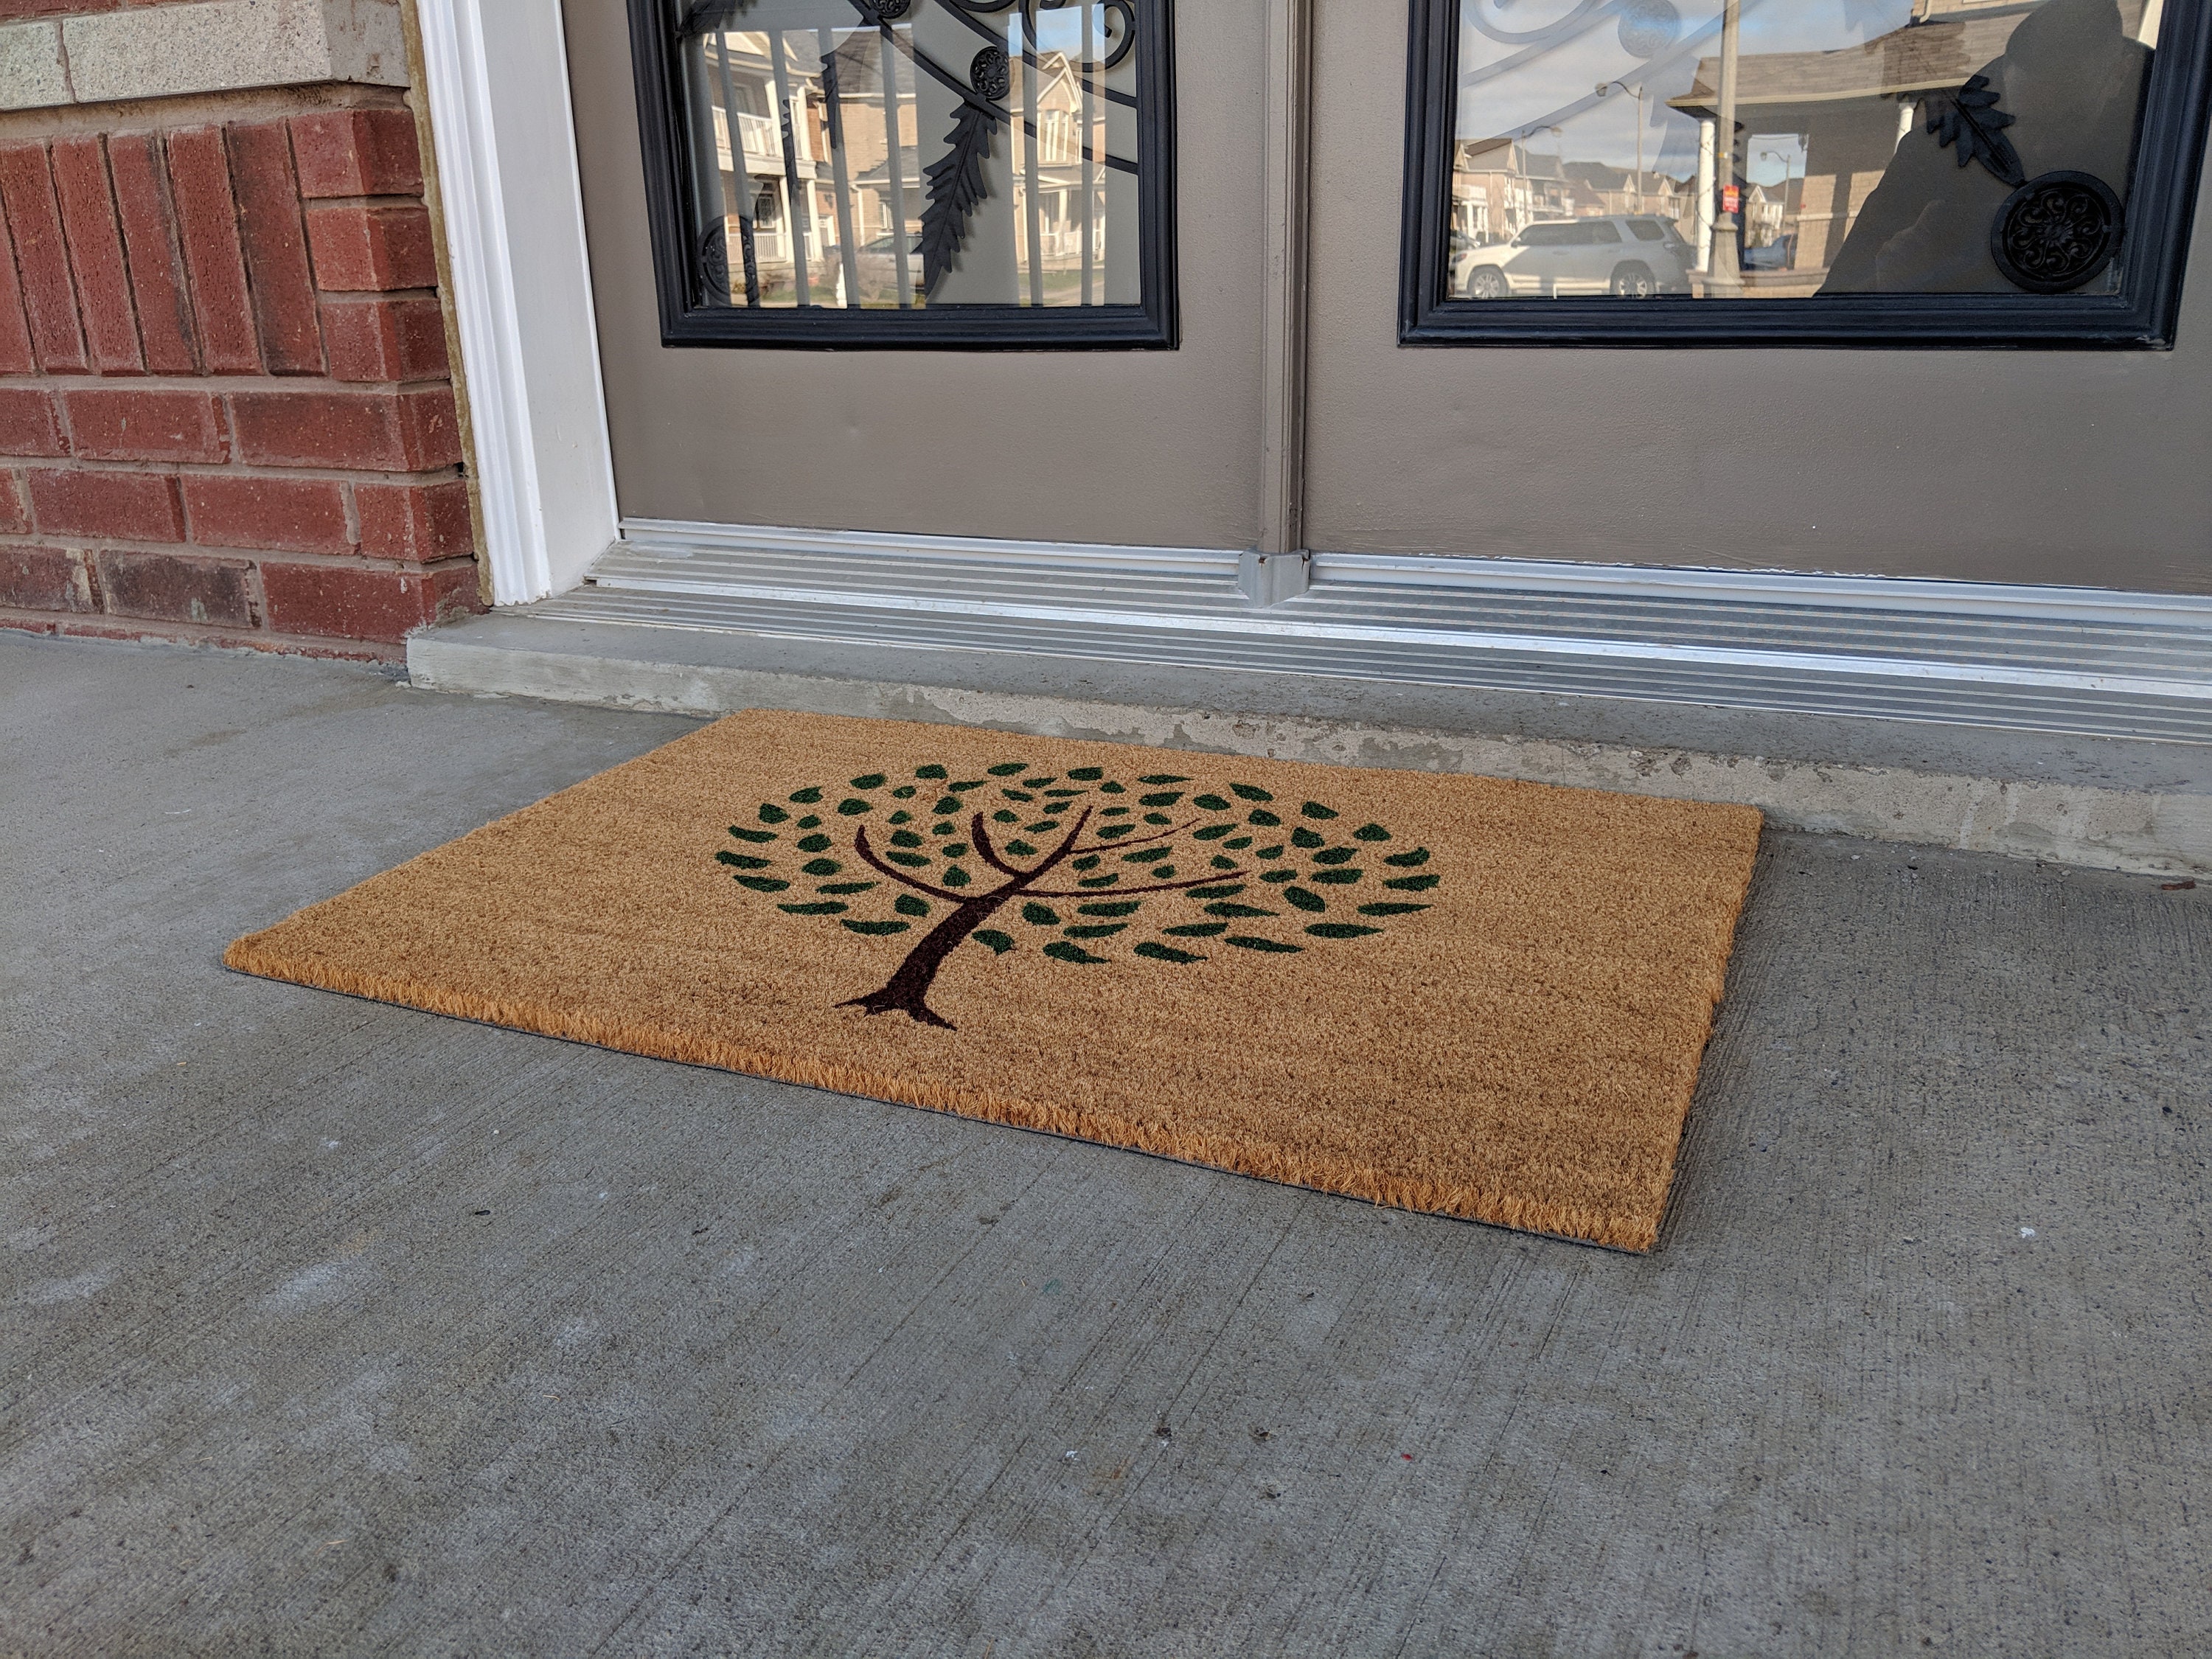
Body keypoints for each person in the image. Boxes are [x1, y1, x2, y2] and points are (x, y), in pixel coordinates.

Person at [1820, 0, 2150, 293]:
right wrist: (1887, 280)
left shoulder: (2159, 158)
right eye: (2019, 124)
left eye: (2066, 122)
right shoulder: (1933, 159)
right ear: (2005, 80)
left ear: (2120, 76)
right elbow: (1832, 312)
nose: (2037, 146)